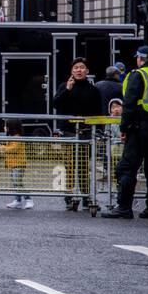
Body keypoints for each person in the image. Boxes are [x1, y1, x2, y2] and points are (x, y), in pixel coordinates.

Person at [102, 45, 148, 219]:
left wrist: (124, 128)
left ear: (140, 59)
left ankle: (124, 207)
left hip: (139, 128)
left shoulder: (138, 75)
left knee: (126, 168)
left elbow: (129, 104)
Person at [51, 57, 103, 212]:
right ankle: (69, 197)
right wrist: (67, 90)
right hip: (68, 132)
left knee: (83, 167)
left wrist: (99, 131)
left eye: (82, 67)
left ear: (87, 71)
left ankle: (86, 197)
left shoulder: (93, 90)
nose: (79, 70)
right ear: (71, 71)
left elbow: (98, 112)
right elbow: (55, 104)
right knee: (68, 166)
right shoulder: (64, 86)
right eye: (76, 68)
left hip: (86, 133)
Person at [0, 120, 32, 209]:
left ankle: (28, 199)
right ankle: (18, 200)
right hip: (13, 164)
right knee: (15, 182)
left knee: (18, 182)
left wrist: (3, 148)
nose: (4, 128)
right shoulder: (11, 137)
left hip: (18, 164)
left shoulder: (17, 138)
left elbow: (13, 148)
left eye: (6, 126)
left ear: (11, 127)